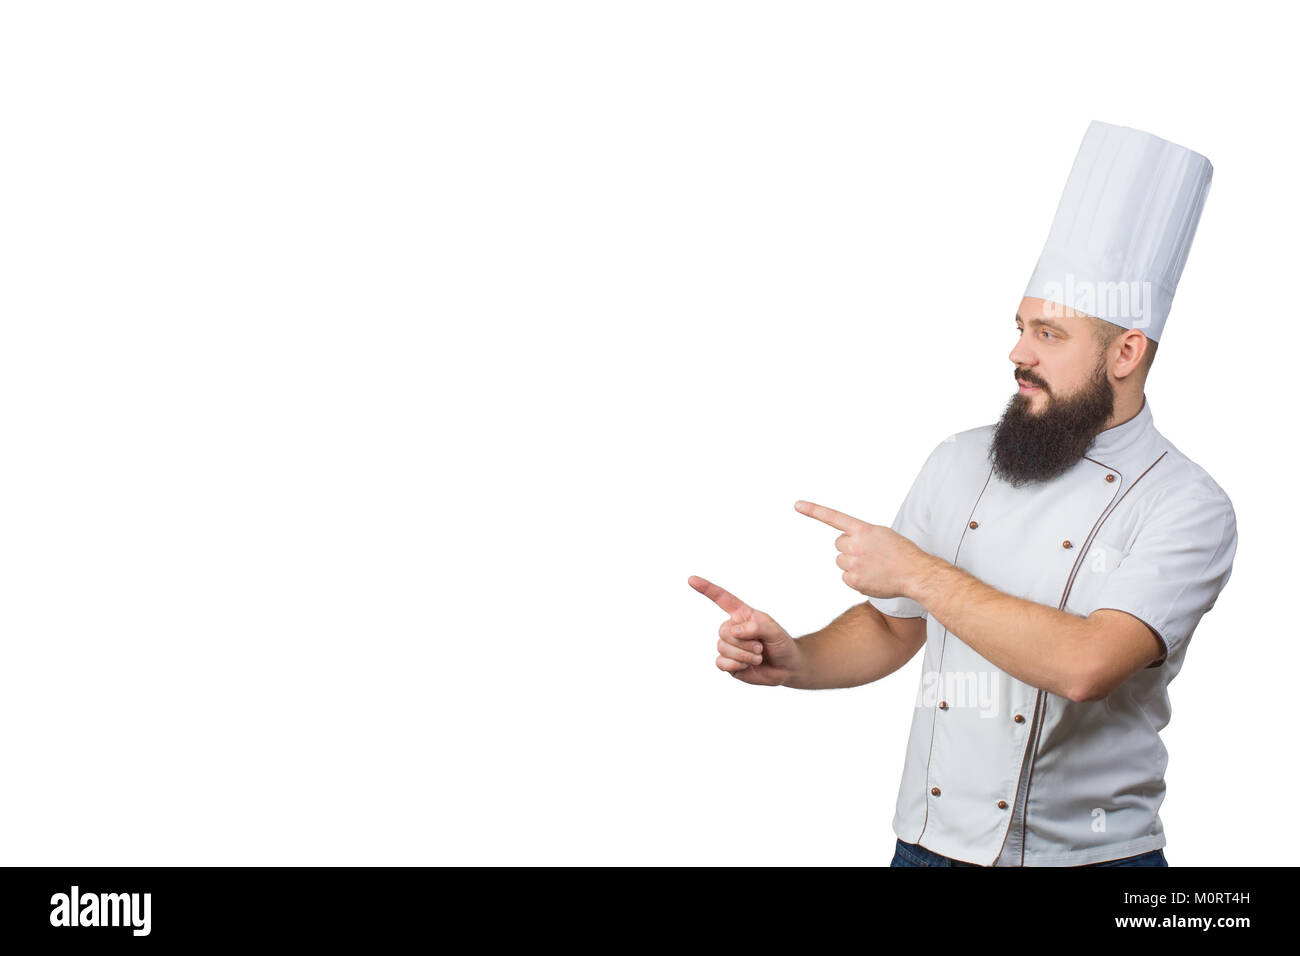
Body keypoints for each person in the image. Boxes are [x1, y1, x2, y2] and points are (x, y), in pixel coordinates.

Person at [688, 120, 1236, 867]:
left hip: (1088, 859)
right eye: (1019, 328)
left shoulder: (1185, 504)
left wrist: (915, 569)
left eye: (1048, 333)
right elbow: (892, 628)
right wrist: (798, 659)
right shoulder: (958, 461)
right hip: (924, 850)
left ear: (1126, 353)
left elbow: (1087, 664)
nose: (1017, 352)